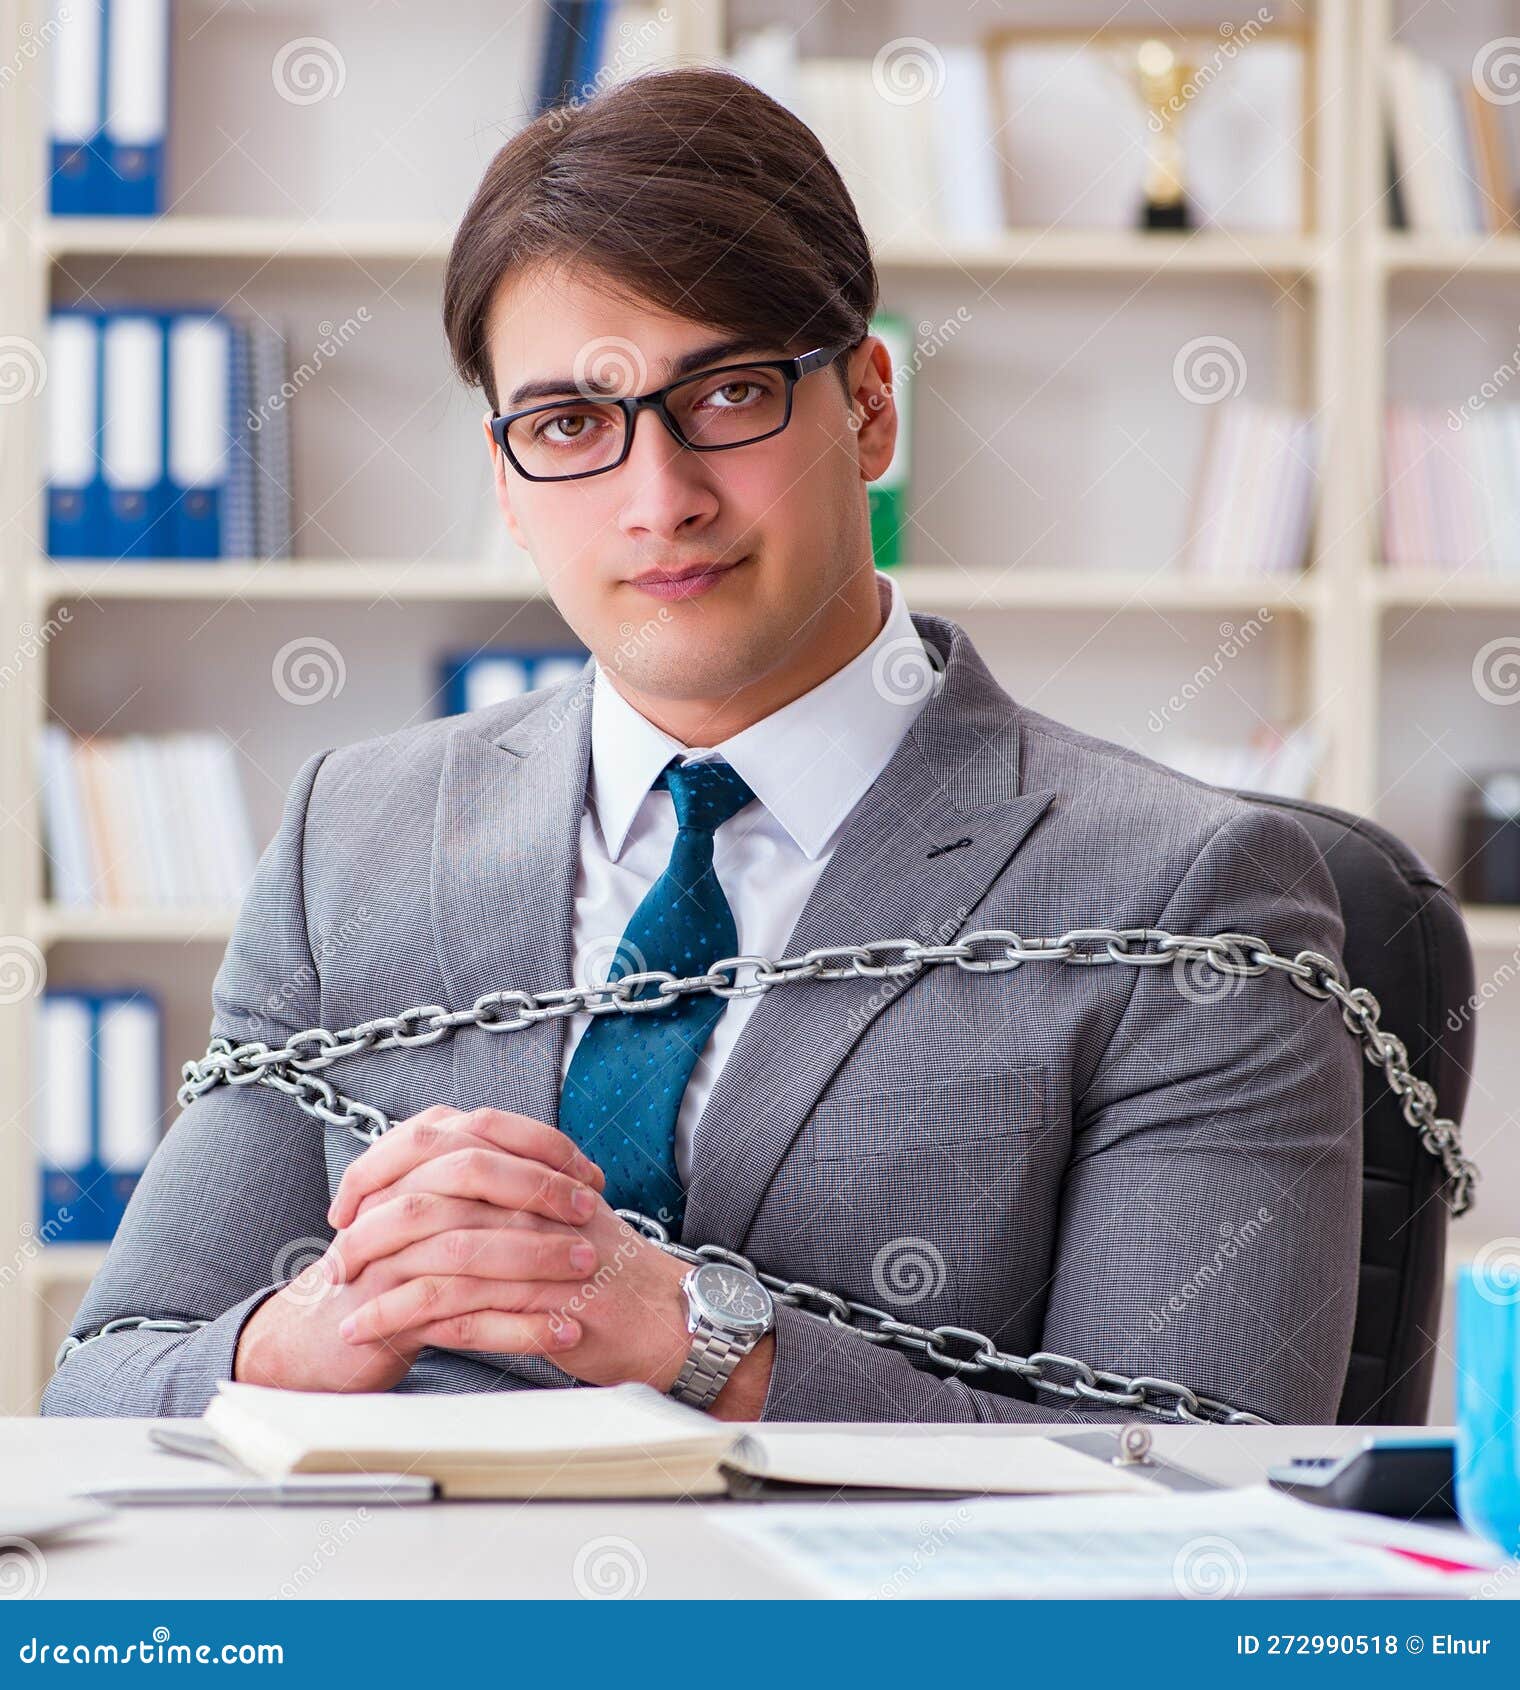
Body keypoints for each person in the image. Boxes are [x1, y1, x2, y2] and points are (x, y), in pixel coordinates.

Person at [43, 66, 1360, 1425]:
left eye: (726, 396)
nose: (658, 499)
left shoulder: (1184, 891)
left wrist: (700, 1337)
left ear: (868, 407)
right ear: (503, 478)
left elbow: (1207, 1479)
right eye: (568, 424)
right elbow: (102, 1385)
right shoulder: (355, 837)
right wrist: (319, 1326)